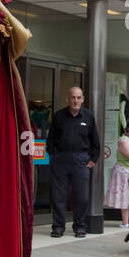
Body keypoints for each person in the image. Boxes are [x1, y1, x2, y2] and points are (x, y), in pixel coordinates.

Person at [46, 86, 101, 238]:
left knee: (81, 196)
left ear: (82, 99)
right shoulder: (58, 116)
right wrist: (53, 156)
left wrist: (93, 159)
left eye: (78, 97)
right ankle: (58, 227)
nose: (75, 100)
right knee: (59, 196)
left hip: (81, 160)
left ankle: (80, 227)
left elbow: (95, 140)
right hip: (61, 159)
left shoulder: (88, 117)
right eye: (73, 97)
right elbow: (50, 139)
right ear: (68, 99)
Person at [106, 119, 129, 223]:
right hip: (124, 171)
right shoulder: (123, 140)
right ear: (128, 130)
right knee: (125, 197)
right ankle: (126, 222)